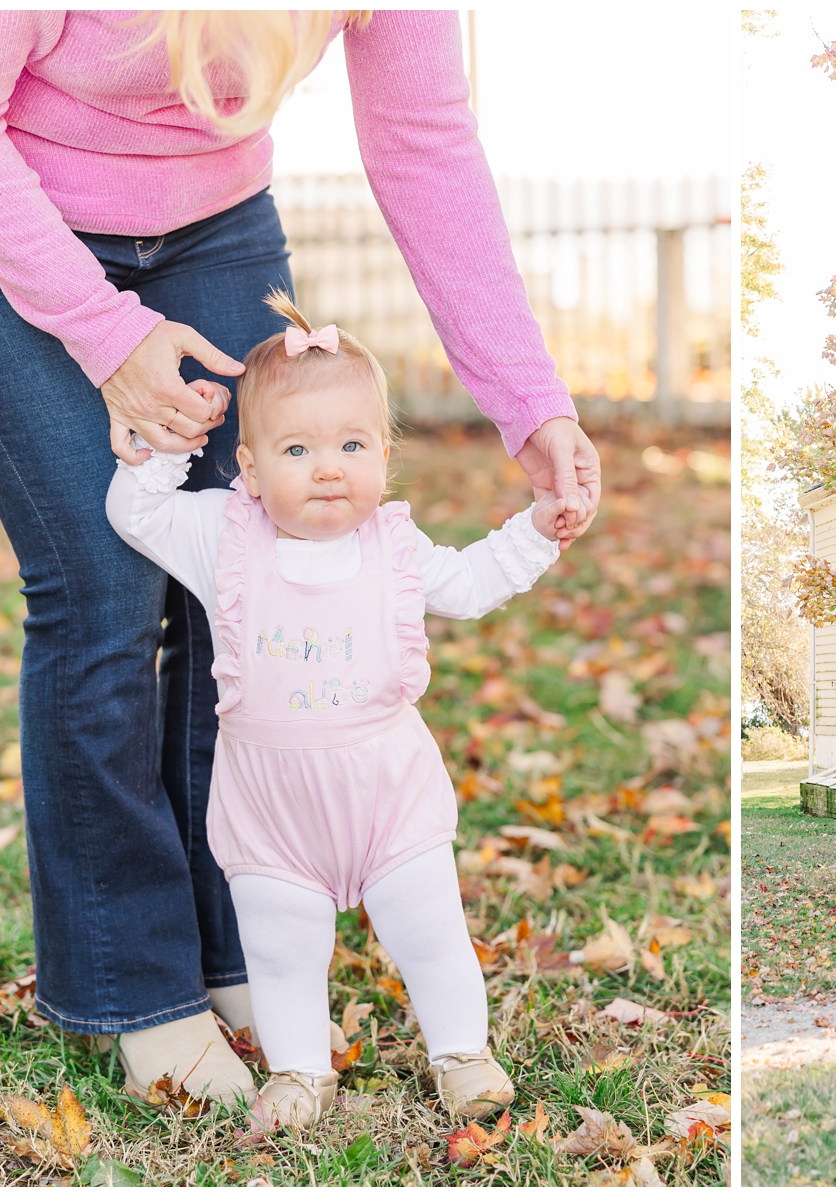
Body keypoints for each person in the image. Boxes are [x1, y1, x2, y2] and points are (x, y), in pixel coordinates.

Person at [0, 10, 600, 1104]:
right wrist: (108, 339)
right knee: (102, 593)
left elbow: (424, 139)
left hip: (215, 228)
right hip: (1, 210)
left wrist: (528, 404)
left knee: (239, 586)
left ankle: (232, 940)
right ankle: (135, 988)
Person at [108, 291, 557, 1128]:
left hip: (389, 802)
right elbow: (134, 515)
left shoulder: (394, 547)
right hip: (275, 819)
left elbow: (470, 583)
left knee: (429, 933)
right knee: (280, 952)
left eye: (352, 445)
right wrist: (170, 449)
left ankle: (463, 1051)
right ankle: (301, 1070)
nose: (328, 467)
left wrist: (537, 531)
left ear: (384, 455)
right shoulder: (224, 536)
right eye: (298, 448)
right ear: (247, 466)